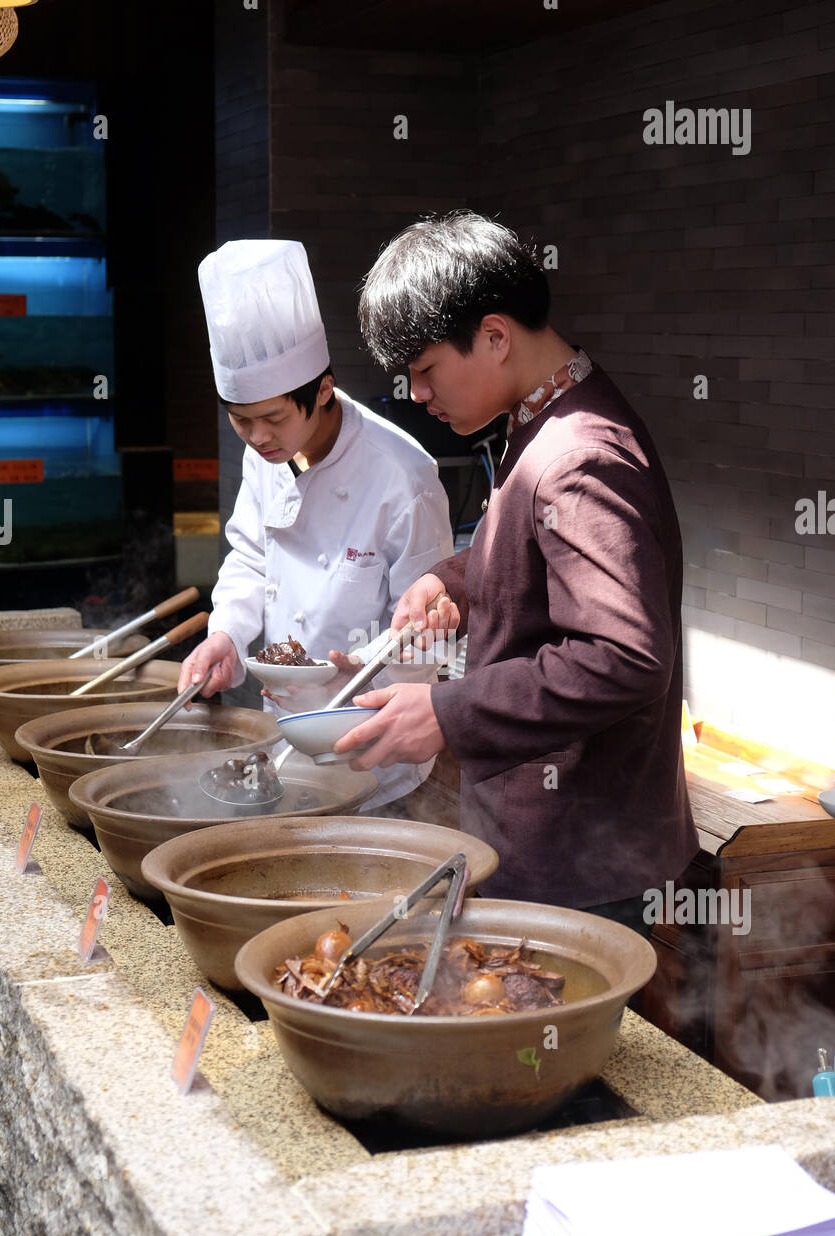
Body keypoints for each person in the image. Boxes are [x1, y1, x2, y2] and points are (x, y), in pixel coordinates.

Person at [335, 211, 699, 934]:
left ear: (495, 337)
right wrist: (453, 581)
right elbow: (537, 546)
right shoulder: (545, 420)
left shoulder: (577, 455)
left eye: (426, 369)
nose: (417, 396)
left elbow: (623, 657)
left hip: (580, 862)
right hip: (554, 846)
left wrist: (445, 712)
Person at [179, 239, 454, 811]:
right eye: (240, 422)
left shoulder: (404, 475)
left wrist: (360, 674)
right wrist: (226, 633)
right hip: (280, 739)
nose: (257, 439)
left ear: (323, 390)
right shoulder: (267, 457)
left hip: (377, 754)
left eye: (272, 418)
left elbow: (428, 631)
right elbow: (251, 556)